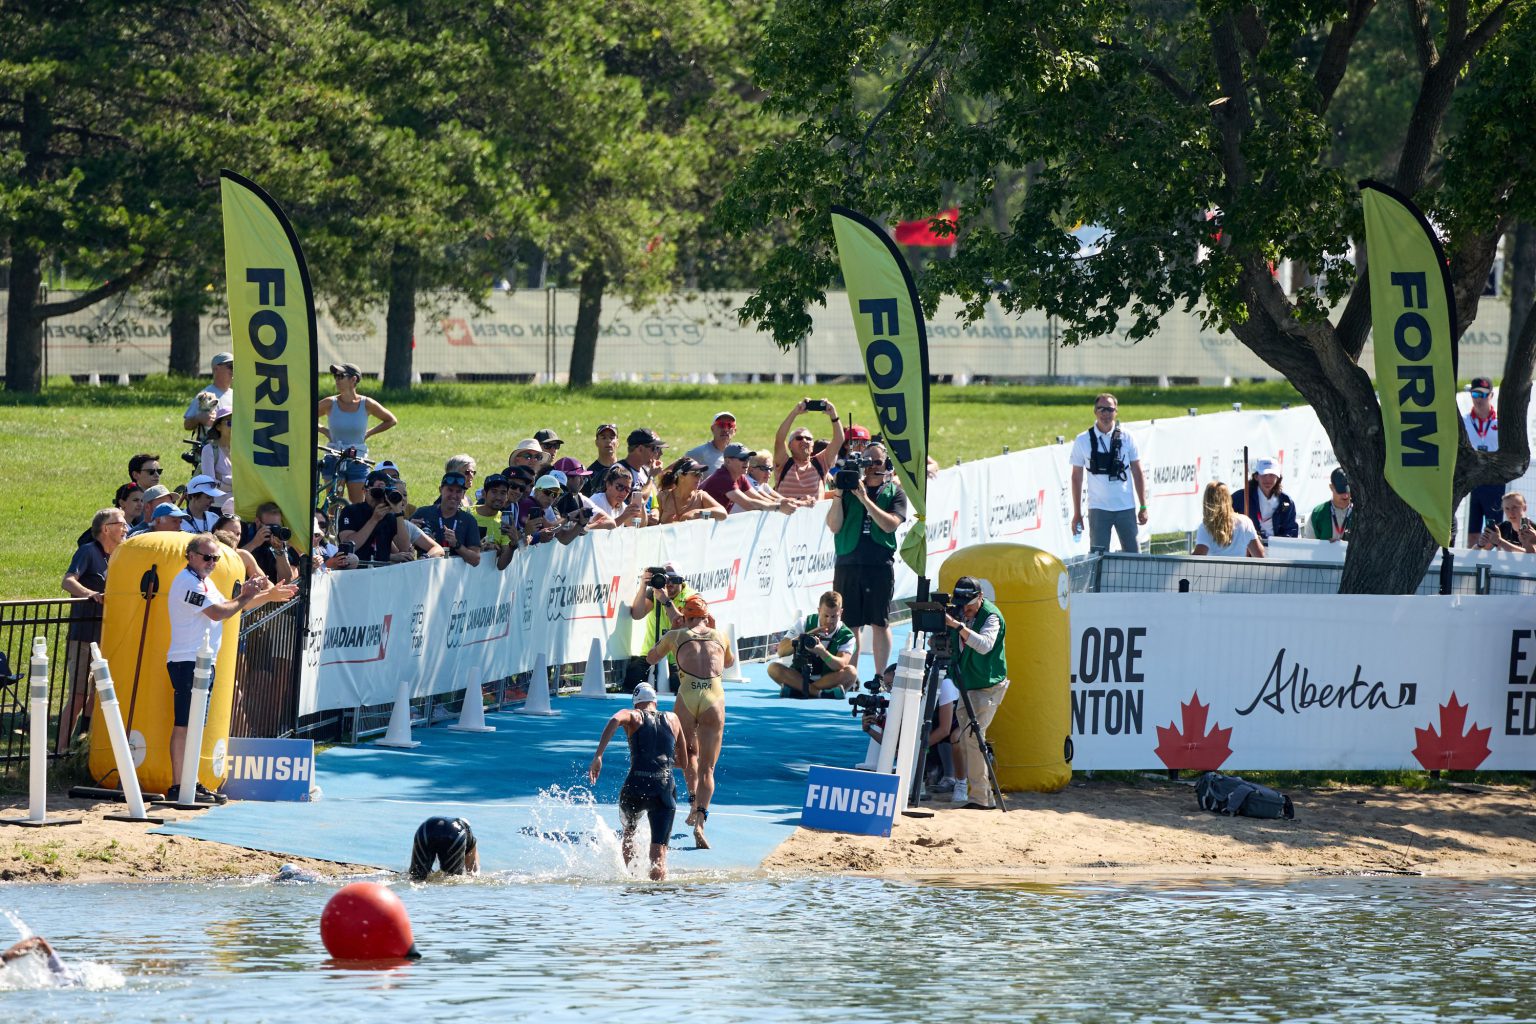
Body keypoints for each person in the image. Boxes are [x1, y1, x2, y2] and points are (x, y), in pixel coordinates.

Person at [166, 534, 294, 793]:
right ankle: (180, 784)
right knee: (185, 725)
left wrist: (268, 595)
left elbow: (232, 607)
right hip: (189, 661)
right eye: (206, 557)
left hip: (200, 661)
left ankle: (188, 782)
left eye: (215, 558)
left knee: (193, 724)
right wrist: (247, 595)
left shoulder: (202, 581)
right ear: (190, 556)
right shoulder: (188, 583)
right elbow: (220, 612)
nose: (211, 562)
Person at [645, 594, 732, 849]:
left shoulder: (676, 635)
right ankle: (700, 823)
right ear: (707, 617)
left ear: (686, 616)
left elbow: (651, 657)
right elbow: (728, 663)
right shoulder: (720, 635)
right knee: (708, 769)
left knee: (685, 757)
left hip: (687, 696)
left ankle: (692, 800)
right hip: (714, 700)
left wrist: (670, 633)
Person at [588, 683, 693, 880]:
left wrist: (599, 755)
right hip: (664, 788)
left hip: (636, 785)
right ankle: (658, 903)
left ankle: (633, 881)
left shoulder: (634, 716)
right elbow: (684, 762)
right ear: (655, 701)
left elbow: (614, 719)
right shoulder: (673, 718)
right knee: (659, 854)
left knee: (629, 836)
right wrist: (663, 763)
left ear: (637, 704)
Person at [825, 441, 907, 682]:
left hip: (878, 564)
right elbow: (834, 525)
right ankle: (851, 675)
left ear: (886, 466)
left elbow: (890, 524)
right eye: (867, 462)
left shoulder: (895, 493)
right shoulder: (847, 490)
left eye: (877, 462)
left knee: (879, 622)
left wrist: (864, 499)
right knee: (850, 623)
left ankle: (880, 676)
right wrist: (840, 495)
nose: (871, 467)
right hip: (848, 562)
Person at [59, 508, 128, 751]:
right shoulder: (88, 551)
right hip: (84, 635)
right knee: (78, 695)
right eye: (121, 523)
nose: (126, 528)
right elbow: (68, 580)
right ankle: (60, 749)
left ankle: (84, 745)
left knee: (98, 696)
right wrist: (92, 595)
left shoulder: (120, 555)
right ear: (105, 528)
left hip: (108, 636)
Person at [943, 576, 1009, 808]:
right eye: (961, 605)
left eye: (969, 605)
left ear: (980, 598)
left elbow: (984, 646)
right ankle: (983, 796)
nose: (965, 610)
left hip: (987, 685)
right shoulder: (959, 612)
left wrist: (958, 626)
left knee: (973, 738)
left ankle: (981, 798)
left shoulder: (991, 616)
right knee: (968, 739)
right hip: (967, 683)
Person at [1069, 393, 1149, 551]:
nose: (1106, 414)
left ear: (1116, 412)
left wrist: (1143, 506)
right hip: (1098, 508)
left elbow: (1138, 472)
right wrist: (1077, 513)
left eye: (1110, 409)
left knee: (1134, 556)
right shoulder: (1082, 440)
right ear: (1095, 412)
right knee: (1099, 557)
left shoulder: (1128, 437)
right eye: (1101, 409)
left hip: (1125, 507)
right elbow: (1076, 478)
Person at [317, 362, 398, 505]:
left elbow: (391, 420)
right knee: (333, 505)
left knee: (358, 506)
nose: (336, 379)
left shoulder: (366, 404)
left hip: (358, 460)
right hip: (334, 457)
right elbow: (305, 416)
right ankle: (332, 527)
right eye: (335, 376)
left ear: (354, 379)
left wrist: (368, 434)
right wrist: (324, 430)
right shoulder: (330, 403)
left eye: (341, 376)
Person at [766, 590, 858, 698]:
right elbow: (781, 651)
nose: (829, 621)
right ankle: (819, 693)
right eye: (826, 615)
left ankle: (801, 690)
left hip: (828, 678)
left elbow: (840, 665)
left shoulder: (847, 635)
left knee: (851, 673)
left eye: (834, 617)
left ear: (841, 612)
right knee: (773, 668)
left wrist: (823, 653)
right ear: (819, 611)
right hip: (799, 676)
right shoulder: (804, 623)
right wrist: (807, 635)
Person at [628, 565, 691, 692]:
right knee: (633, 678)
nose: (669, 584)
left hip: (677, 658)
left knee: (677, 683)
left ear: (682, 582)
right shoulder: (654, 593)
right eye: (666, 579)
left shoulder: (691, 597)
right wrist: (643, 587)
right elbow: (636, 614)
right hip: (651, 654)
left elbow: (683, 624)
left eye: (674, 580)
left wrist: (666, 601)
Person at [773, 398, 845, 503]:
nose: (804, 440)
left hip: (814, 519)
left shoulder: (821, 462)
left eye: (808, 439)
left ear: (812, 446)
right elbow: (779, 439)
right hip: (786, 518)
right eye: (799, 438)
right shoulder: (784, 463)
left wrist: (833, 414)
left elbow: (839, 440)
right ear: (789, 446)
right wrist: (794, 413)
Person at [338, 469, 412, 564]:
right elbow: (348, 546)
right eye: (376, 492)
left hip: (382, 570)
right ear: (365, 491)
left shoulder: (389, 517)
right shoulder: (351, 511)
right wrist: (374, 519)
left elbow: (404, 548)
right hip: (357, 568)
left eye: (383, 493)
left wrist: (398, 512)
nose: (379, 497)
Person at [1464, 376, 1504, 540]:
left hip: (1494, 482)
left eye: (1483, 395)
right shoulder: (1465, 420)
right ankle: (1470, 564)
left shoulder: (1500, 422)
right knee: (1472, 530)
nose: (1479, 399)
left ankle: (1492, 564)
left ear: (1491, 396)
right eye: (1475, 395)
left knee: (1495, 530)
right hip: (1472, 480)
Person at [702, 443, 795, 515]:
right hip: (696, 522)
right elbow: (748, 504)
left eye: (748, 458)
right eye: (742, 458)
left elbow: (758, 497)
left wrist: (781, 503)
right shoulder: (723, 478)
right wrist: (778, 507)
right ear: (727, 461)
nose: (747, 462)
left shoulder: (740, 476)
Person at [412, 471, 482, 565]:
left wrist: (456, 544)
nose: (454, 495)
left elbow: (475, 560)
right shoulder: (423, 513)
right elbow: (401, 545)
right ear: (440, 490)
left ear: (463, 494)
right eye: (450, 490)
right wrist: (411, 531)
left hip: (455, 576)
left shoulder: (469, 520)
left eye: (458, 491)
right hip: (425, 572)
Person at [1230, 457, 1298, 544]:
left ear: (1278, 477)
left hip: (1276, 550)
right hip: (1249, 548)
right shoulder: (1240, 497)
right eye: (1264, 475)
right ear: (1256, 477)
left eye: (1272, 475)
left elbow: (1291, 529)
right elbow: (1226, 521)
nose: (1268, 479)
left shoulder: (1286, 501)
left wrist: (1279, 544)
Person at [1192, 481, 1266, 558]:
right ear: (1228, 499)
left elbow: (1198, 558)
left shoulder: (1206, 526)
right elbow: (1260, 555)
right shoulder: (1245, 522)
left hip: (1215, 570)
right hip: (1240, 569)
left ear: (1206, 501)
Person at [655, 457, 728, 524]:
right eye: (696, 474)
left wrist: (698, 514)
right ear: (681, 475)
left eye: (701, 474)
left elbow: (723, 514)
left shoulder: (701, 496)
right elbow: (653, 524)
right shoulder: (663, 497)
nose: (700, 478)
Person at [239, 502, 299, 583]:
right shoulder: (243, 533)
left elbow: (286, 580)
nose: (274, 531)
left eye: (277, 527)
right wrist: (254, 543)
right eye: (271, 527)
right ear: (257, 522)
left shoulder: (281, 542)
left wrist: (279, 551)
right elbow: (232, 559)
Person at [408, 816, 479, 880]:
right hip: (455, 834)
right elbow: (473, 872)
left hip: (426, 828)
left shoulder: (466, 834)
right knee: (452, 879)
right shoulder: (470, 838)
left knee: (416, 877)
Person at [183, 351, 233, 435]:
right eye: (231, 366)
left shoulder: (236, 395)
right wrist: (199, 418)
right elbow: (187, 425)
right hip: (209, 447)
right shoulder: (205, 395)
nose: (234, 370)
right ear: (216, 369)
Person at [1307, 467, 1355, 543]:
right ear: (1331, 487)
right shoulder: (1318, 514)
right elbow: (1309, 546)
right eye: (1341, 491)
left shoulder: (1360, 513)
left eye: (1348, 491)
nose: (1345, 496)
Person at [685, 411, 738, 475]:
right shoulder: (698, 453)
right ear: (712, 429)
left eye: (730, 425)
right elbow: (673, 470)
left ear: (734, 431)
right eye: (721, 425)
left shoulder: (740, 455)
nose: (725, 429)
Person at [623, 428, 667, 500]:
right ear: (640, 449)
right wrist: (651, 477)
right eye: (655, 449)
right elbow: (636, 501)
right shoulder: (621, 472)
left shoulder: (644, 471)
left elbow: (654, 503)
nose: (660, 453)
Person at [584, 423, 621, 496]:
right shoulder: (590, 474)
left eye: (612, 438)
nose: (608, 441)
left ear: (617, 442)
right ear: (596, 442)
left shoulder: (625, 470)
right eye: (603, 438)